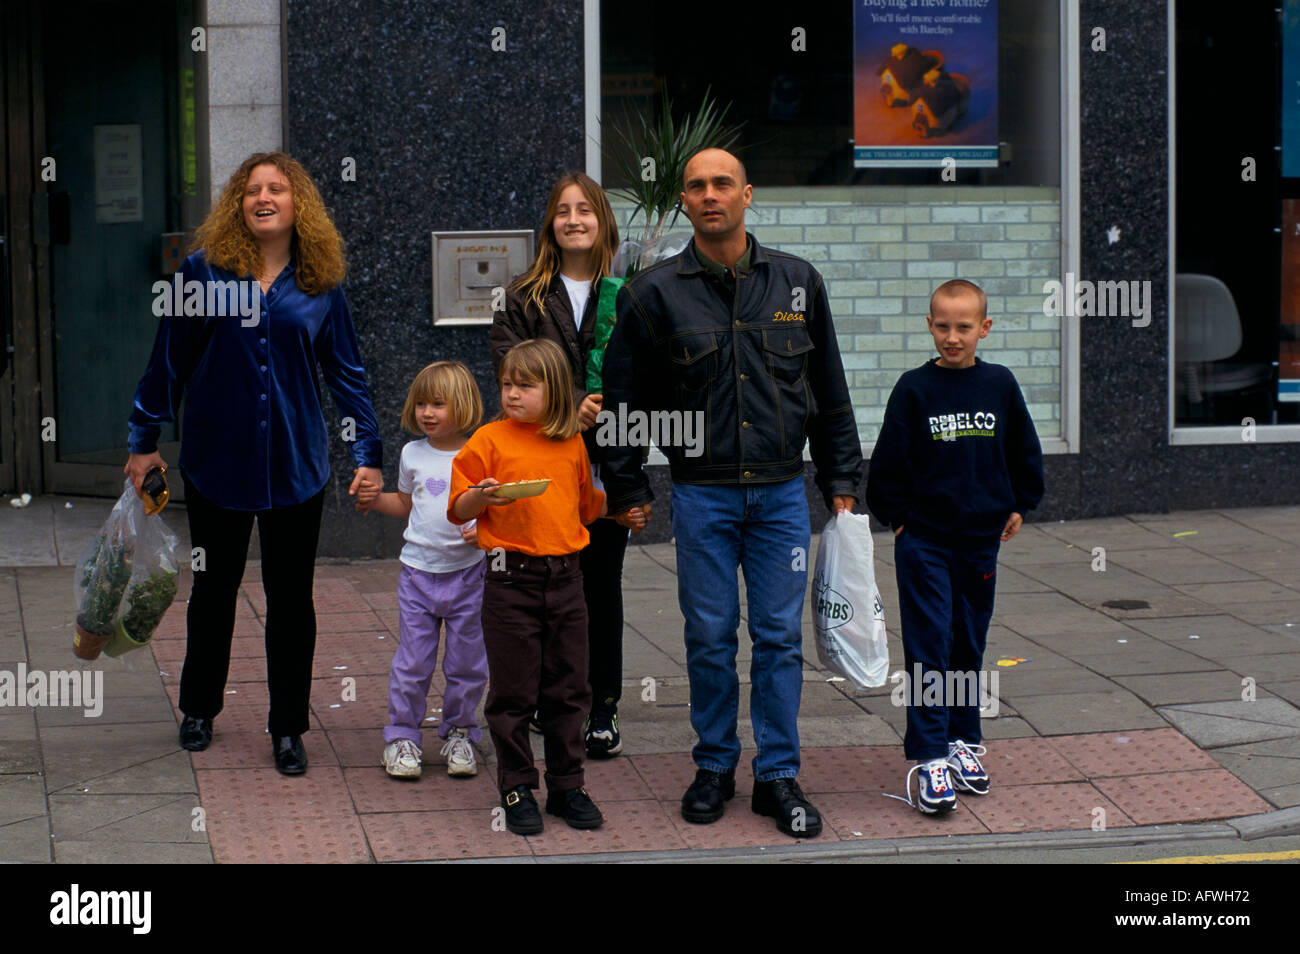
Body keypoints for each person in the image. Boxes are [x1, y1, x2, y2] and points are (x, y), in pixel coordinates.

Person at [600, 148, 864, 839]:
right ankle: (714, 766)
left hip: (781, 496)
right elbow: (625, 402)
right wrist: (627, 485)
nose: (710, 195)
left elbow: (828, 390)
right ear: (683, 201)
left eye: (723, 184)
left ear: (748, 194)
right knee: (710, 638)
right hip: (702, 497)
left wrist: (841, 479)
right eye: (697, 186)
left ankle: (777, 775)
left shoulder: (798, 283)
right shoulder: (650, 293)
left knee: (778, 638)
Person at [125, 151, 382, 776]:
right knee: (213, 590)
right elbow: (168, 364)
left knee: (292, 600)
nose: (263, 198)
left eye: (277, 189)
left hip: (298, 469)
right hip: (217, 464)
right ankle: (198, 707)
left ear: (300, 205)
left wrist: (368, 455)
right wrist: (143, 439)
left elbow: (347, 376)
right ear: (237, 205)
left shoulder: (321, 283)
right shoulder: (201, 274)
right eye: (251, 190)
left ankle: (289, 726)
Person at [866, 278, 1044, 815]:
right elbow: (888, 463)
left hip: (980, 543)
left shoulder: (1000, 385)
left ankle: (962, 741)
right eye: (942, 325)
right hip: (924, 543)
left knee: (968, 643)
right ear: (929, 325)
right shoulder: (914, 388)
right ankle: (928, 756)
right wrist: (899, 521)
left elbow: (1022, 449)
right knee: (930, 646)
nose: (952, 336)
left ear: (983, 329)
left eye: (964, 327)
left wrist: (1019, 503)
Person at [490, 172, 646, 759]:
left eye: (586, 209)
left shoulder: (629, 293)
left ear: (603, 220)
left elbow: (649, 373)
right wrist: (568, 403)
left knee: (600, 587)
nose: (574, 219)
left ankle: (601, 709)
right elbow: (512, 369)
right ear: (549, 224)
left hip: (610, 464)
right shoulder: (522, 297)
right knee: (544, 589)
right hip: (547, 467)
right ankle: (544, 701)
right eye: (563, 211)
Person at [449, 338, 608, 835]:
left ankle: (567, 784)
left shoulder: (570, 442)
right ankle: (516, 784)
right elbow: (457, 508)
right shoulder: (488, 440)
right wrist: (481, 498)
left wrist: (618, 503)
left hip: (566, 579)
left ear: (555, 390)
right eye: (506, 384)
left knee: (570, 688)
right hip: (508, 578)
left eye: (525, 385)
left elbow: (586, 507)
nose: (512, 394)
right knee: (513, 691)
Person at [355, 362, 488, 780]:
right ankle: (402, 736)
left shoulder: (480, 453)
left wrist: (485, 530)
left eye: (439, 404)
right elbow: (404, 504)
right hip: (417, 574)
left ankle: (460, 732)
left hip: (469, 575)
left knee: (468, 663)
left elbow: (499, 508)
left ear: (464, 406)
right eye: (421, 404)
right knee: (413, 661)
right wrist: (375, 501)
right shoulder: (412, 453)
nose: (427, 413)